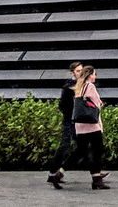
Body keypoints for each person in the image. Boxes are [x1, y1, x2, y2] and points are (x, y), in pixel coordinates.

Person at [71, 65, 111, 190]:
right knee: (97, 151)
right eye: (94, 74)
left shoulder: (79, 87)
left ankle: (60, 171)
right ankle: (97, 181)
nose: (95, 76)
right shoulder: (90, 86)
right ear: (89, 75)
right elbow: (97, 103)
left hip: (80, 125)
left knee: (82, 151)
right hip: (92, 126)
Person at [46, 61, 83, 189]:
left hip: (78, 120)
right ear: (72, 72)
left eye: (81, 70)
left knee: (81, 146)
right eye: (78, 71)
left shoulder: (82, 84)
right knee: (65, 146)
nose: (80, 73)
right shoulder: (68, 87)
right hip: (69, 120)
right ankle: (53, 173)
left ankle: (96, 173)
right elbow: (62, 105)